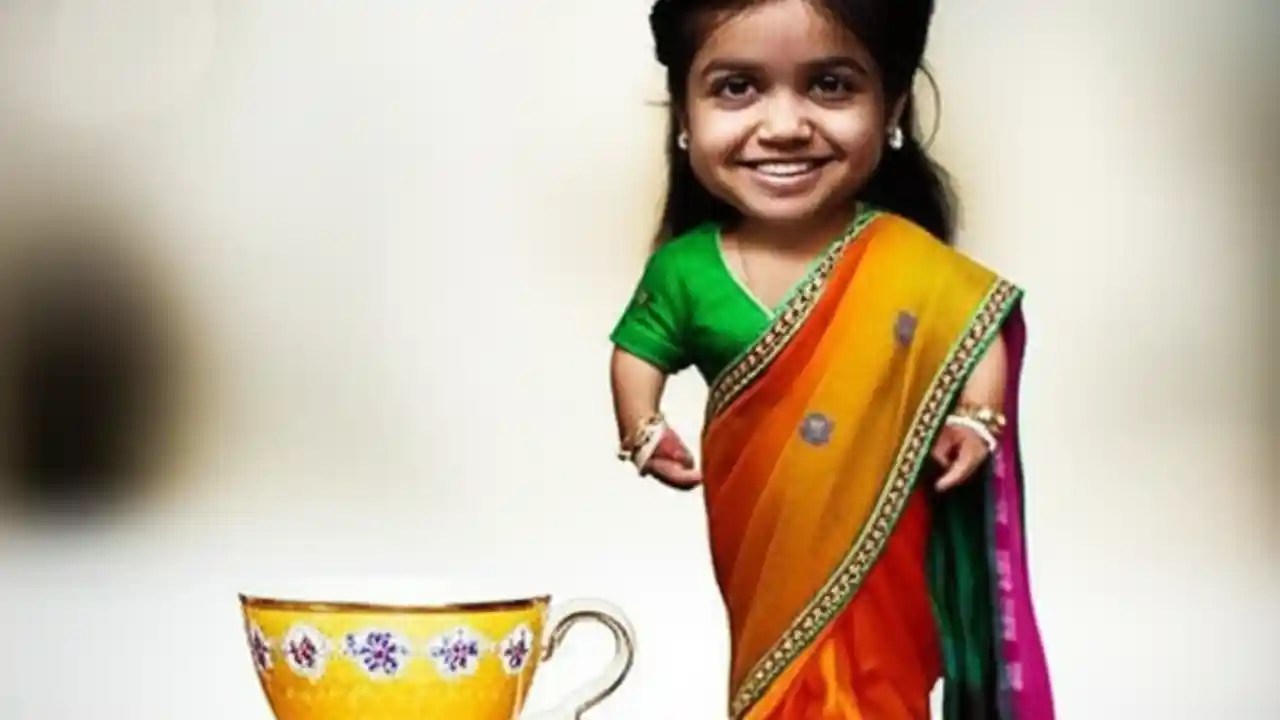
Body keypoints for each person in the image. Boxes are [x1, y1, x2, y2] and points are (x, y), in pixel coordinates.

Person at [608, 0, 1055, 718]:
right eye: (736, 88)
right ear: (685, 116)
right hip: (765, 540)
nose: (785, 127)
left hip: (884, 540)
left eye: (831, 85)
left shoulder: (907, 258)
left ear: (893, 107)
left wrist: (977, 420)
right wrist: (642, 426)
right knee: (777, 668)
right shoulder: (687, 270)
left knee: (879, 672)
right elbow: (636, 355)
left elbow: (977, 326)